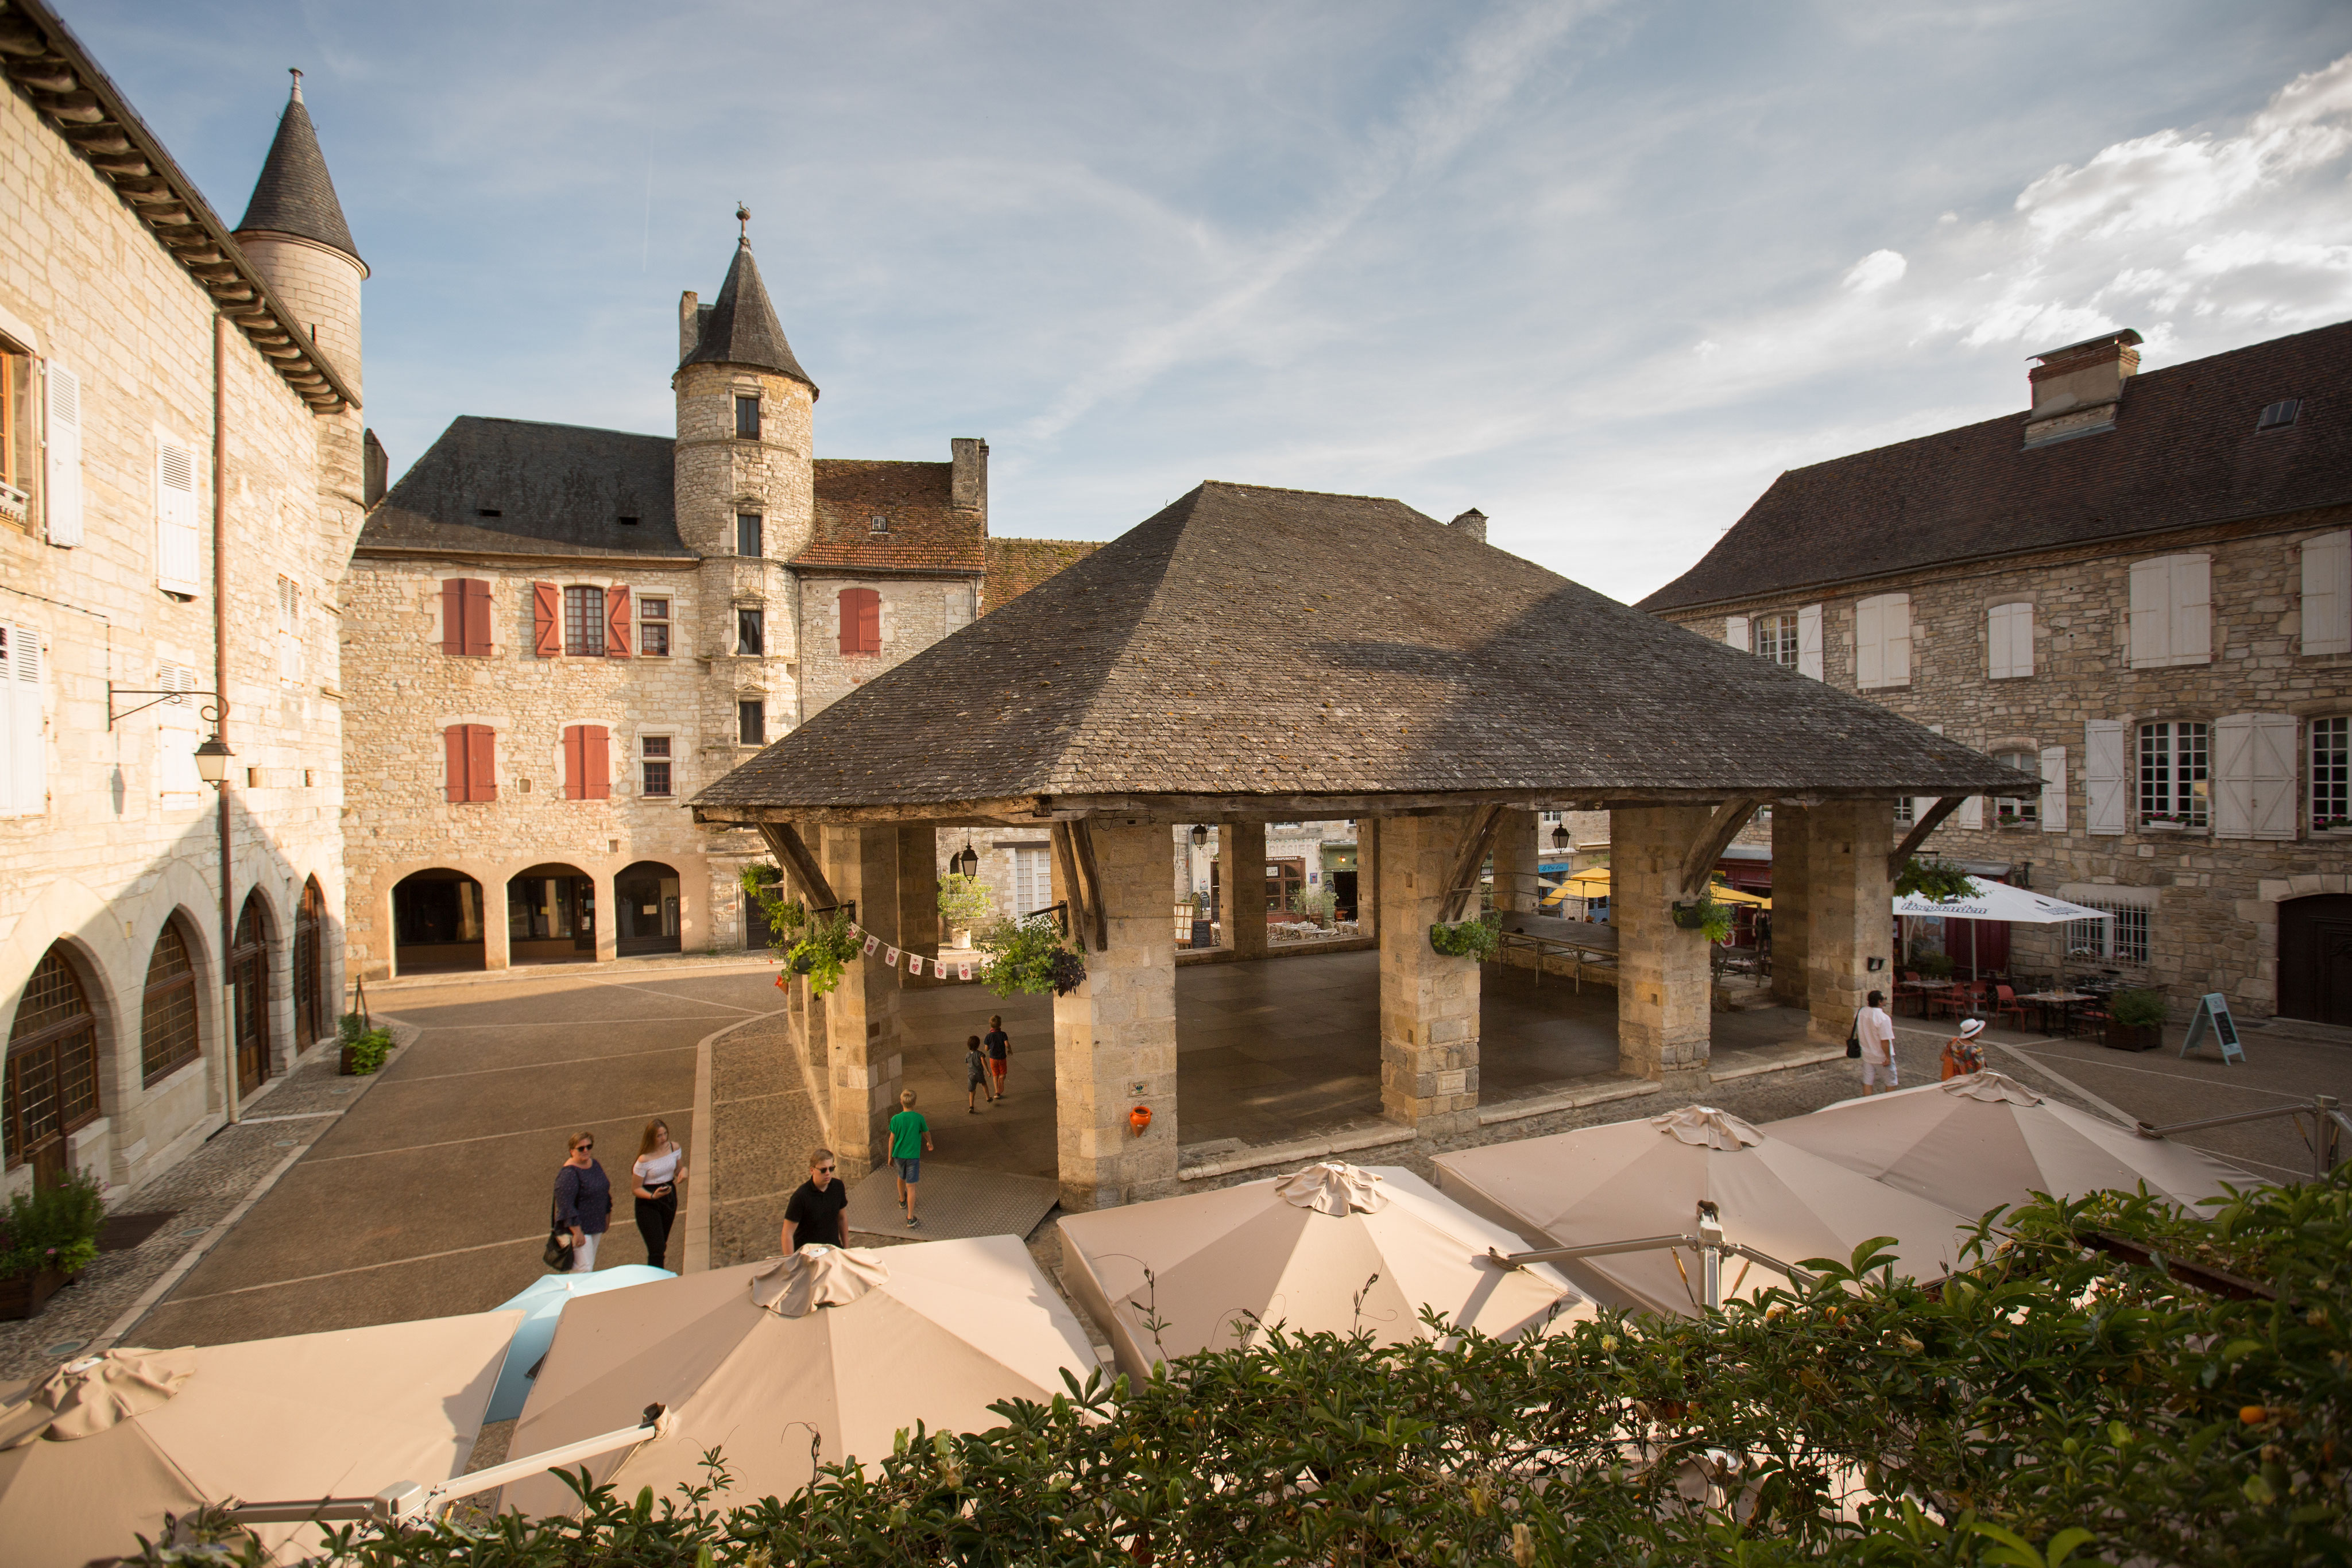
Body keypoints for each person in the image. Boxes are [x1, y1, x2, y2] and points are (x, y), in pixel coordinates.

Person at [630, 1118, 684, 1271]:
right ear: (651, 1138)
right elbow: (636, 1188)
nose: (663, 1139)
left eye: (665, 1134)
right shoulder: (644, 1159)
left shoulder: (674, 1148)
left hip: (668, 1198)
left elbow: (679, 1169)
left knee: (662, 1244)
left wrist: (683, 1172)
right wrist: (653, 1196)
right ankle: (656, 1280)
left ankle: (658, 1275)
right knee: (657, 1248)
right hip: (648, 1202)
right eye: (659, 1136)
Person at [553, 1131, 611, 1273]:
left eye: (589, 1146)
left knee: (588, 1265)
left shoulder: (594, 1164)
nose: (586, 1150)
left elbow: (604, 1191)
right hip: (579, 1228)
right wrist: (577, 1232)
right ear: (572, 1151)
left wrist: (607, 1217)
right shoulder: (569, 1174)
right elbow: (565, 1205)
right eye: (581, 1148)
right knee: (583, 1268)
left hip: (595, 1224)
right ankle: (579, 1296)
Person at [783, 1146, 849, 1252]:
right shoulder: (800, 1197)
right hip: (808, 1254)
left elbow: (842, 1218)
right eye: (823, 1170)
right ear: (812, 1170)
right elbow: (787, 1233)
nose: (828, 1173)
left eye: (831, 1169)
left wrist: (846, 1248)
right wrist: (790, 1263)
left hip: (833, 1250)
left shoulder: (838, 1187)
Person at [889, 1089, 933, 1226]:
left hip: (899, 1155)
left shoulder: (896, 1119)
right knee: (912, 1186)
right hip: (913, 1156)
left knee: (901, 1177)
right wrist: (930, 1143)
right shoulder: (919, 1118)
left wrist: (890, 1156)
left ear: (901, 1102)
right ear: (915, 1103)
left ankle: (902, 1199)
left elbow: (892, 1139)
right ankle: (910, 1217)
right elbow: (926, 1133)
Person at [1855, 989, 1897, 1095]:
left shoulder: (1861, 1013)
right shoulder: (1883, 1019)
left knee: (1868, 1081)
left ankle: (1867, 1102)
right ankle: (1887, 1103)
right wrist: (1888, 1057)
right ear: (1880, 1002)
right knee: (1891, 1082)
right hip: (1880, 1057)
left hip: (1867, 1054)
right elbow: (1885, 1040)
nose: (1886, 1000)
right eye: (1885, 999)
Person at [1941, 1017, 1988, 1081]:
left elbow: (1942, 1058)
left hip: (1953, 1079)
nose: (1981, 1033)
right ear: (1976, 1034)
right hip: (1968, 1082)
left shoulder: (1953, 1041)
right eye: (1980, 1031)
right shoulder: (1976, 1050)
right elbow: (1981, 1071)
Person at [984, 1015, 1011, 1098]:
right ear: (1000, 1025)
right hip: (1002, 1057)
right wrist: (1010, 1050)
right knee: (1003, 1073)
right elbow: (1007, 1044)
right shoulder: (1003, 1034)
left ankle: (996, 1093)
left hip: (993, 1058)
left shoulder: (988, 1036)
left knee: (995, 1075)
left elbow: (986, 1049)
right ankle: (1002, 1078)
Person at [965, 1034, 992, 1112]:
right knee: (984, 1084)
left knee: (972, 1092)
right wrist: (987, 1071)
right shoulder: (980, 1054)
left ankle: (971, 1106)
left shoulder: (967, 1055)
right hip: (979, 1074)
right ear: (978, 1045)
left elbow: (967, 1064)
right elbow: (983, 1061)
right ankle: (988, 1098)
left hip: (971, 1075)